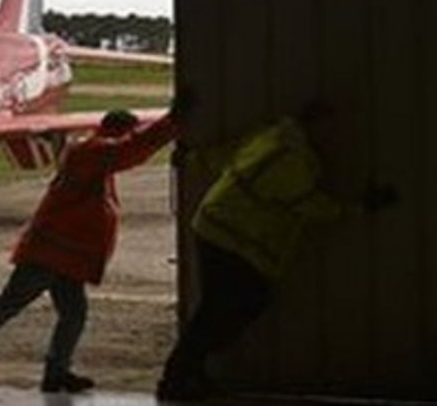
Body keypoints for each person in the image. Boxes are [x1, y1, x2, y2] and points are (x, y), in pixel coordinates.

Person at [0, 94, 193, 395]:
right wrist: (171, 122)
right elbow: (132, 150)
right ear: (120, 131)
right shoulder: (94, 152)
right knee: (11, 306)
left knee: (66, 312)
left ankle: (55, 372)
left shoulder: (90, 153)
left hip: (61, 254)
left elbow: (129, 151)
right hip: (52, 253)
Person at [156, 100, 398, 402]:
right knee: (229, 309)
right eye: (330, 126)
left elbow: (227, 155)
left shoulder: (273, 137)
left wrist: (191, 159)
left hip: (218, 227)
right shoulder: (292, 160)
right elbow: (315, 207)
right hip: (232, 236)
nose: (334, 135)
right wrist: (360, 207)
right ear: (317, 125)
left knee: (220, 310)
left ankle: (187, 373)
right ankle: (177, 378)